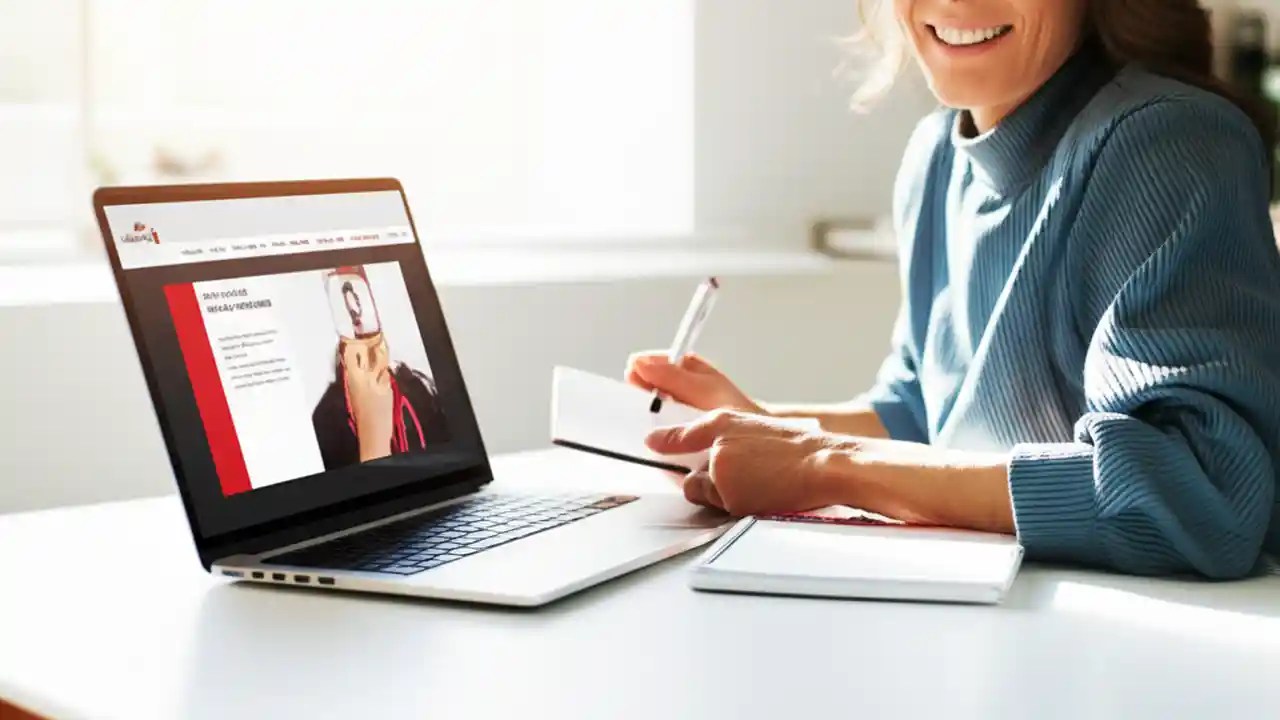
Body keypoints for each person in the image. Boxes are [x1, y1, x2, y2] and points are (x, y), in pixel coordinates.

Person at [627, 0, 1280, 579]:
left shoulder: (1169, 143)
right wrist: (754, 426)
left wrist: (825, 464)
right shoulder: (935, 155)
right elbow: (920, 413)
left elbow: (1201, 498)